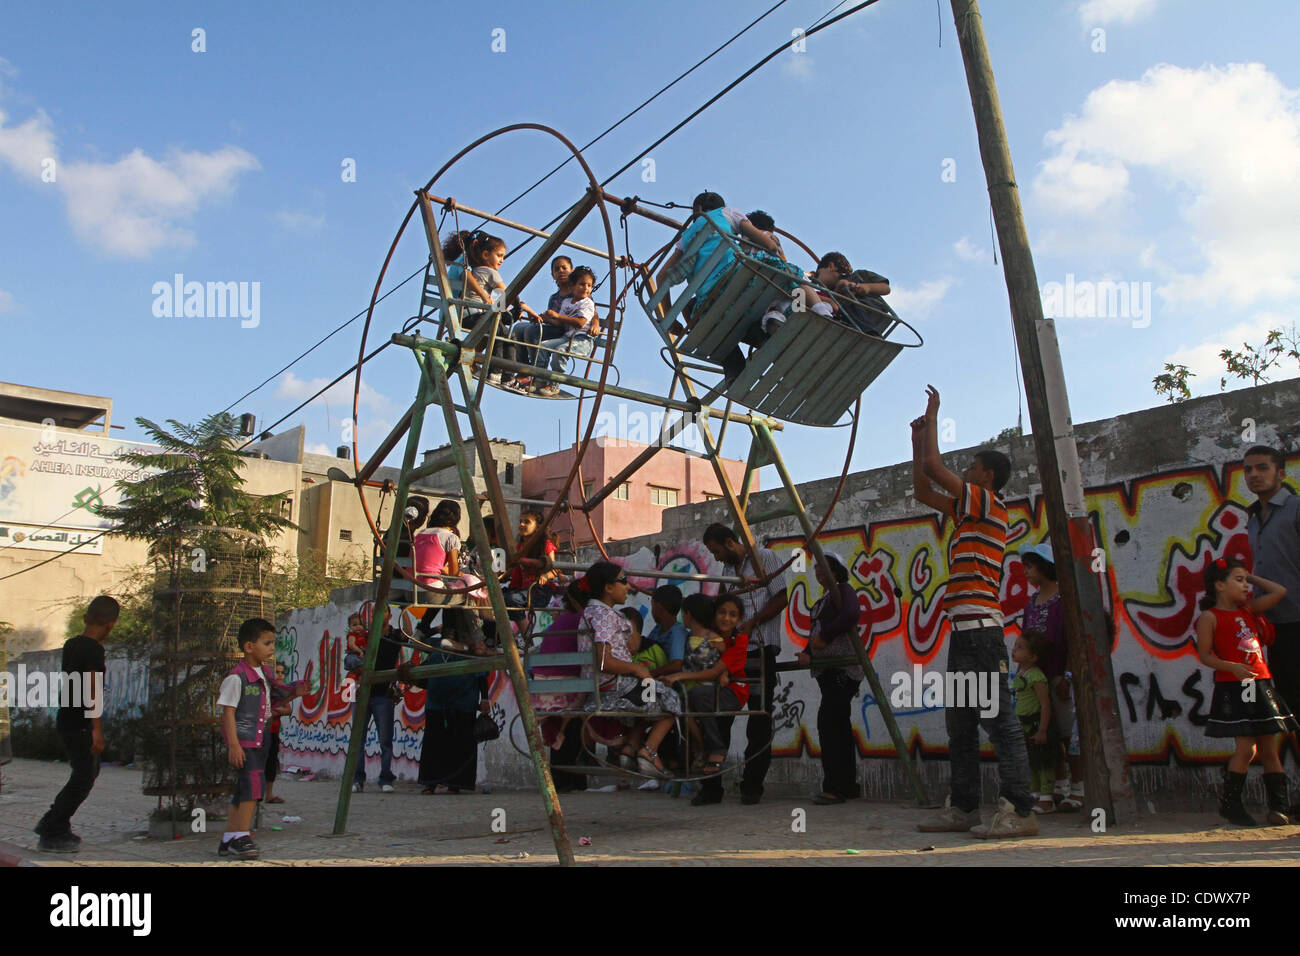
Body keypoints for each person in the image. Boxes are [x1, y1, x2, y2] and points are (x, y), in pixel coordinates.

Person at [910, 385, 1038, 838]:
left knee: (999, 721)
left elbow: (933, 469)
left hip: (981, 631)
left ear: (986, 476)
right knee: (961, 721)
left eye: (971, 467)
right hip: (966, 631)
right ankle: (964, 806)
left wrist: (934, 414)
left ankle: (1020, 810)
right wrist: (916, 440)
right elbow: (923, 490)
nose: (964, 472)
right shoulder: (967, 513)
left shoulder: (988, 503)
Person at [1195, 557, 1297, 825]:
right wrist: (1232, 667)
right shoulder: (1209, 617)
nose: (1245, 586)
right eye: (1237, 580)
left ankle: (1279, 807)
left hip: (1259, 684)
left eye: (1245, 580)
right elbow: (1205, 655)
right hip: (1235, 686)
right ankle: (1231, 804)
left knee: (1268, 747)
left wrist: (1249, 576)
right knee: (1246, 748)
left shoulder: (1249, 610)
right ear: (1219, 585)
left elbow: (1279, 591)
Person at [702, 523, 791, 805]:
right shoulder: (729, 572)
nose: (716, 558)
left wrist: (754, 622)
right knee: (721, 716)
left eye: (717, 551)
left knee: (759, 719)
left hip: (760, 649)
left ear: (730, 542)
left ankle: (752, 785)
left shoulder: (765, 558)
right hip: (733, 653)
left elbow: (782, 596)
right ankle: (711, 787)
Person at [575, 561, 681, 776]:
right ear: (608, 587)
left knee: (652, 695)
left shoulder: (591, 613)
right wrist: (636, 669)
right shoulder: (604, 616)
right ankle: (649, 752)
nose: (629, 587)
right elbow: (604, 661)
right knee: (672, 698)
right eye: (623, 581)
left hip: (607, 688)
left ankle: (631, 749)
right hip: (615, 688)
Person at [216, 618, 308, 860]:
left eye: (272, 643)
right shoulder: (237, 678)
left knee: (242, 790)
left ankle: (228, 838)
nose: (271, 649)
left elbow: (274, 702)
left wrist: (293, 693)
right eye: (266, 643)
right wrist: (234, 744)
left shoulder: (265, 676)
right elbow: (227, 711)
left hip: (261, 741)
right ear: (248, 646)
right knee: (253, 787)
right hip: (245, 744)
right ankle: (242, 837)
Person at [34, 596, 119, 853]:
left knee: (84, 774)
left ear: (86, 618)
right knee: (83, 777)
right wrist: (97, 729)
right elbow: (92, 689)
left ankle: (53, 822)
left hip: (67, 718)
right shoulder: (94, 650)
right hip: (82, 722)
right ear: (111, 624)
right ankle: (53, 827)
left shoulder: (71, 645)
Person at [1243, 445, 1300, 806]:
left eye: (1262, 468)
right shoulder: (1252, 516)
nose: (1254, 475)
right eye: (1248, 470)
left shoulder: (1295, 510)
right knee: (1293, 711)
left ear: (1281, 472)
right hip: (1277, 630)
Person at [794, 554, 865, 805]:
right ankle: (846, 785)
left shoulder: (843, 591)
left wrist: (824, 635)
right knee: (839, 727)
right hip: (828, 670)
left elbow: (850, 615)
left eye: (822, 568)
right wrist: (808, 652)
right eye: (816, 569)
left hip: (841, 670)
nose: (817, 573)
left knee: (830, 725)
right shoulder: (826, 598)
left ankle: (835, 787)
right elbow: (816, 634)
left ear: (835, 571)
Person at [1020, 542, 1084, 810]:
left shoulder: (1065, 601)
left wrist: (1068, 676)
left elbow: (1075, 640)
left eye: (1030, 566)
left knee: (1069, 735)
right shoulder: (1031, 604)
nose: (1026, 572)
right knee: (1046, 733)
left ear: (1045, 567)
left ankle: (1079, 788)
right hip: (1037, 681)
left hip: (1059, 678)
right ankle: (1059, 785)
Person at [681, 594, 751, 806]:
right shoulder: (708, 636)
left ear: (739, 619)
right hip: (713, 693)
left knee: (716, 733)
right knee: (710, 730)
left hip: (732, 693)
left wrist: (680, 676)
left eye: (732, 615)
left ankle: (712, 784)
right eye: (722, 613)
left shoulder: (739, 640)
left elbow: (716, 672)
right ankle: (711, 788)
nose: (726, 619)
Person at [530, 582, 590, 792]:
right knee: (578, 720)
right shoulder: (584, 621)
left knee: (568, 725)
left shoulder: (560, 622)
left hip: (542, 688)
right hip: (565, 689)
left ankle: (565, 780)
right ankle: (568, 780)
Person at [414, 500, 489, 654]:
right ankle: (479, 641)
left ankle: (422, 630)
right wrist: (468, 577)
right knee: (464, 595)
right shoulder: (450, 537)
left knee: (446, 593)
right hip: (431, 591)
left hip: (414, 589)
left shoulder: (420, 534)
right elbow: (455, 573)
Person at [419, 648, 491, 795]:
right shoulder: (435, 655)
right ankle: (431, 783)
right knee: (434, 746)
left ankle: (455, 784)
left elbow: (481, 676)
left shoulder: (470, 653)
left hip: (463, 705)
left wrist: (484, 698)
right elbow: (422, 677)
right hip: (436, 705)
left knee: (460, 745)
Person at [352, 609, 403, 793]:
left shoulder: (395, 634)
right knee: (358, 740)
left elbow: (410, 634)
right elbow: (350, 657)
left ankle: (385, 778)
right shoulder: (365, 635)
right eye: (373, 613)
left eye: (381, 612)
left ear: (389, 615)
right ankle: (357, 779)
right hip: (362, 694)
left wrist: (405, 610)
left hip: (383, 695)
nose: (376, 616)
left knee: (385, 741)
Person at [530, 266, 601, 397]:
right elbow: (560, 323)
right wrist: (547, 318)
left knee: (560, 351)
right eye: (582, 284)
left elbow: (580, 322)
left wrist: (557, 316)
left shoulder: (587, 303)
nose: (586, 288)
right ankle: (539, 377)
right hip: (568, 337)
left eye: (589, 285)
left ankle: (555, 382)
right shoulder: (567, 302)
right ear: (572, 286)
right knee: (543, 346)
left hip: (583, 339)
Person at [507, 255, 573, 387]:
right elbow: (550, 319)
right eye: (557, 269)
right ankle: (524, 367)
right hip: (553, 326)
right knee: (519, 328)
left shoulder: (576, 295)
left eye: (564, 268)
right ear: (553, 275)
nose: (560, 271)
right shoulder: (554, 297)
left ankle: (538, 370)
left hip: (564, 331)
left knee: (531, 331)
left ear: (571, 270)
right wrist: (539, 318)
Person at [1011, 630, 1056, 813]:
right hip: (1024, 725)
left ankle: (1047, 798)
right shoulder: (1020, 673)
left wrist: (1043, 729)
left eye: (1020, 648)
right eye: (1015, 646)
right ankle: (1035, 794)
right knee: (1032, 762)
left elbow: (1045, 705)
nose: (1014, 650)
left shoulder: (1036, 676)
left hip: (1036, 725)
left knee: (1044, 761)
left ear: (1033, 656)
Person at [640, 584, 688, 678]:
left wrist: (651, 674)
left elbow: (676, 665)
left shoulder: (677, 632)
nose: (652, 611)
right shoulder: (658, 628)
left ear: (659, 608)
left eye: (652, 607)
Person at [263, 661, 293, 805]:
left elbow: (288, 710)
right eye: (277, 672)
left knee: (271, 763)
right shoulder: (266, 688)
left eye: (282, 672)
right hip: (261, 731)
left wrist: (274, 710)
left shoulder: (282, 691)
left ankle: (268, 794)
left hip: (274, 730)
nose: (280, 675)